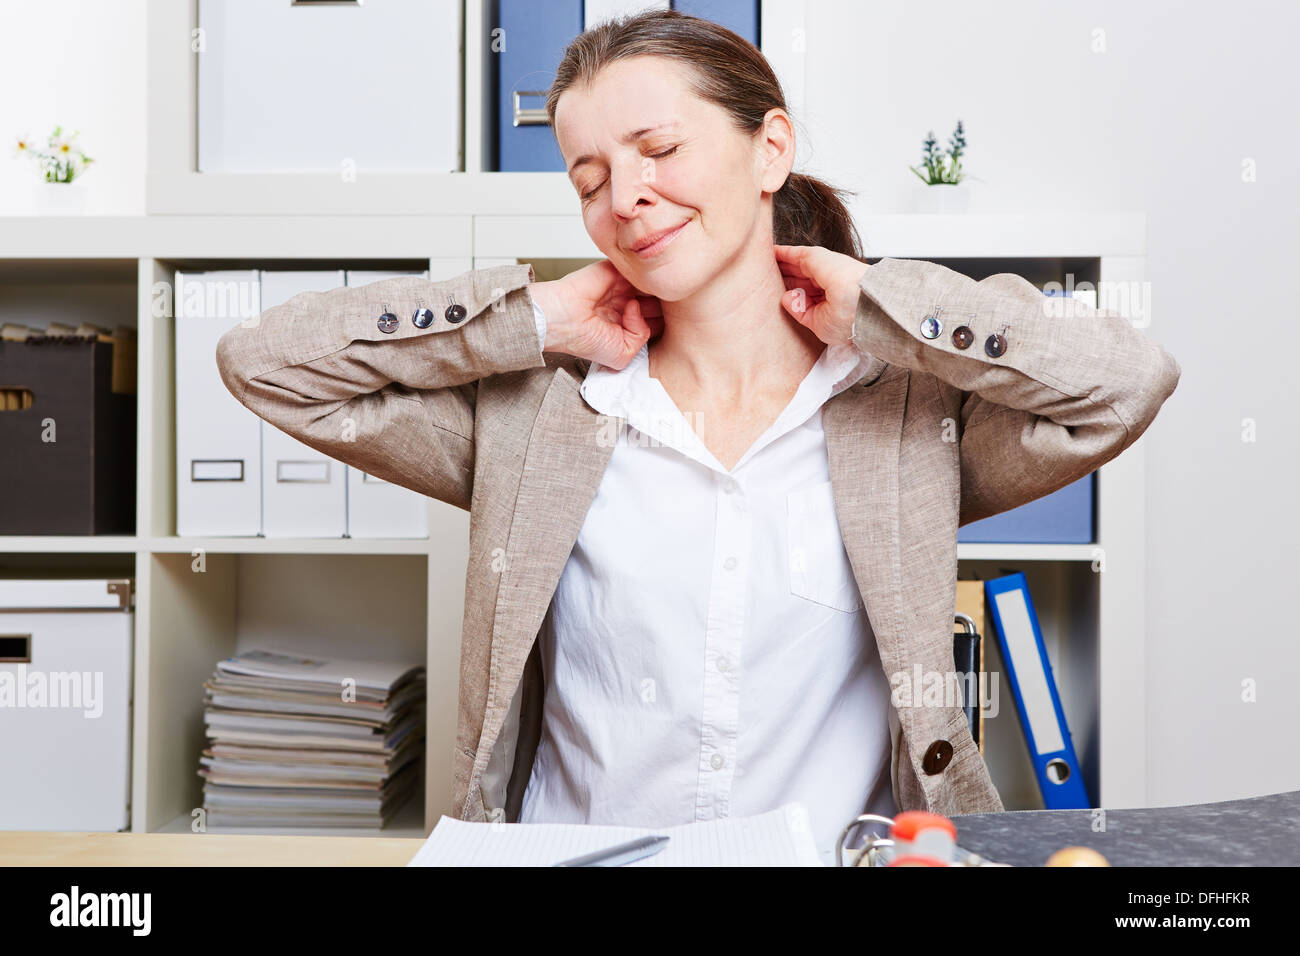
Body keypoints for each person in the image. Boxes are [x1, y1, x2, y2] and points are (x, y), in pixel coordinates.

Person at [216, 10, 1180, 856]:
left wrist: (887, 302)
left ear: (770, 150)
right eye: (588, 179)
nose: (622, 197)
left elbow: (1129, 382)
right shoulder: (537, 414)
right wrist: (533, 320)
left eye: (659, 150)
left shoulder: (907, 413)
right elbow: (266, 362)